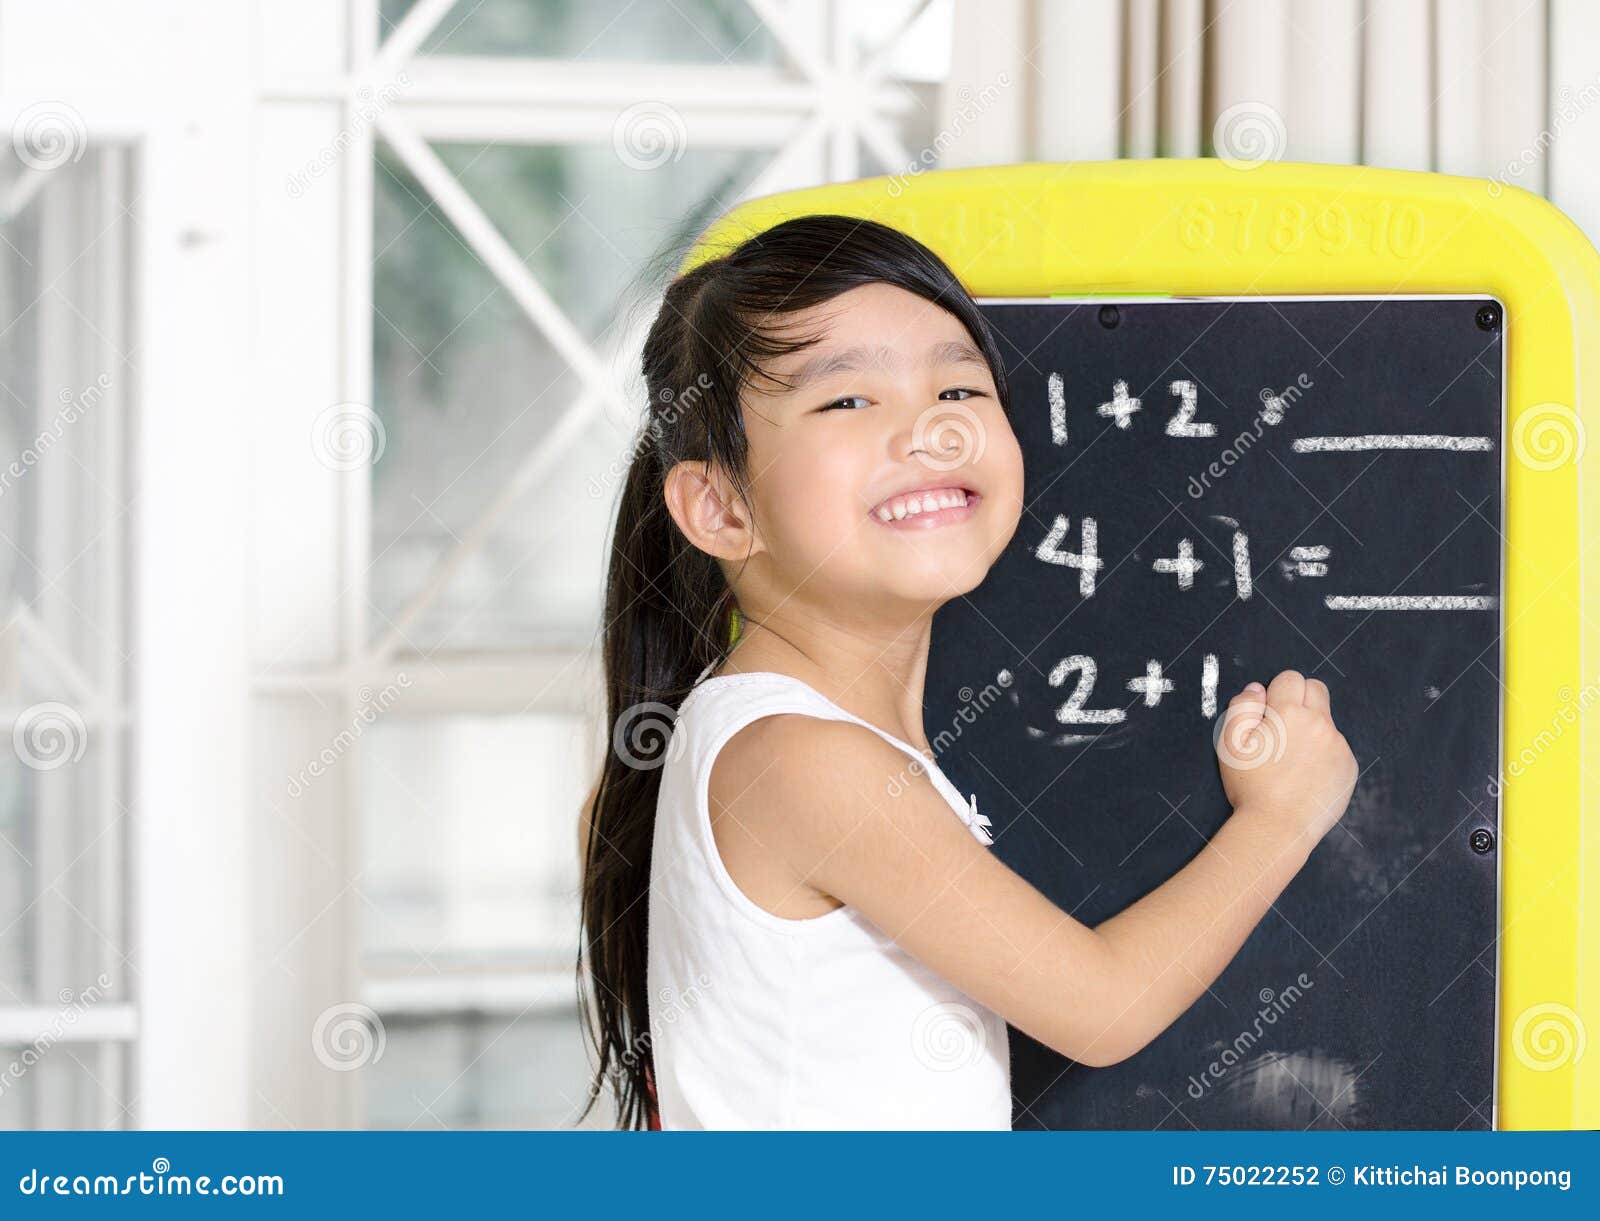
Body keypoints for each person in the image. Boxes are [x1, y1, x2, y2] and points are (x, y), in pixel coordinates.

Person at [577, 214, 1357, 1130]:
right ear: (718, 507)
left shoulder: (769, 728)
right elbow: (1102, 1008)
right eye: (848, 401)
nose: (934, 432)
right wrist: (1281, 815)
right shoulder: (804, 760)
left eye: (958, 388)